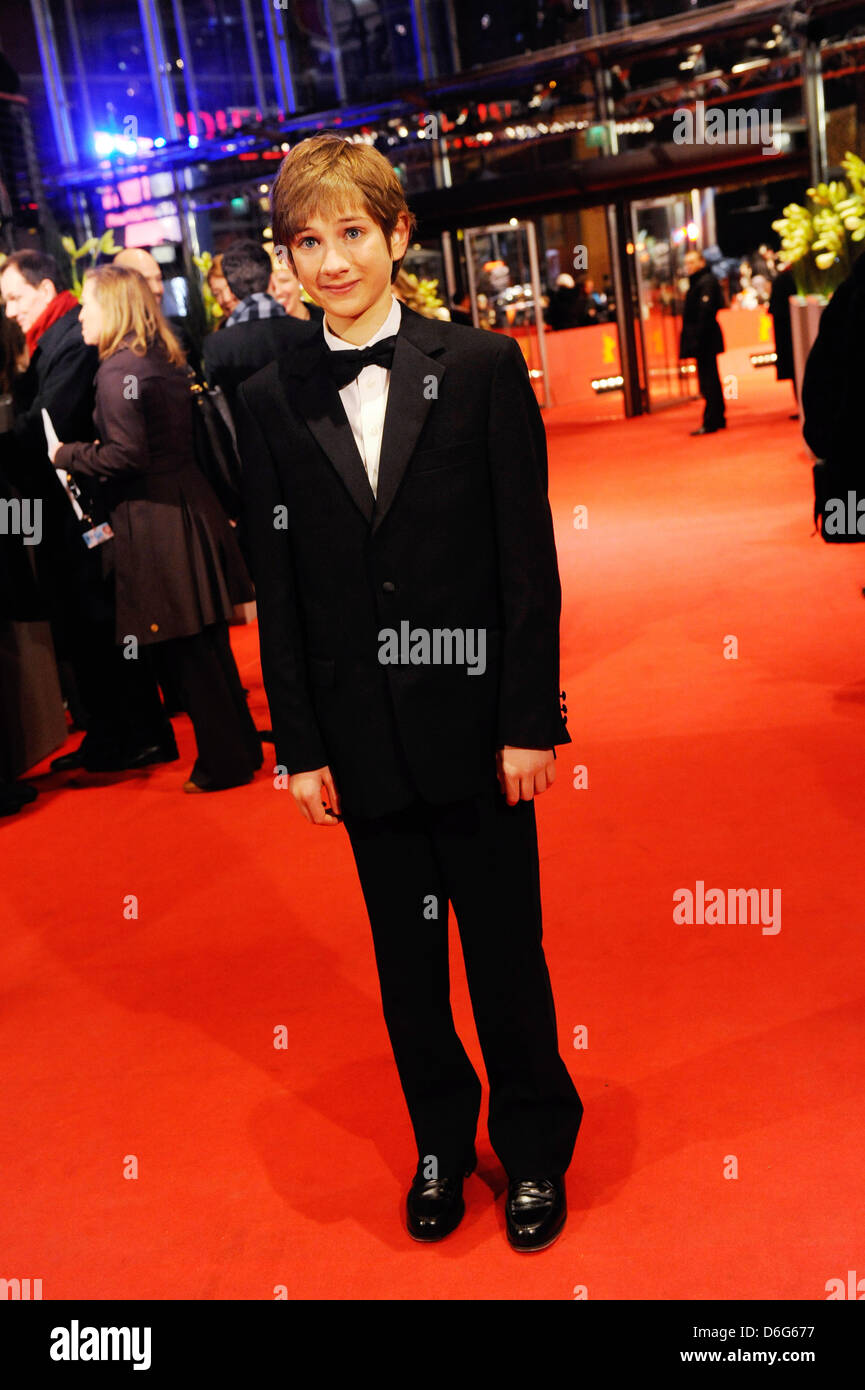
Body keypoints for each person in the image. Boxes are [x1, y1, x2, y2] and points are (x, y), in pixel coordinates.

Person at [237, 133, 582, 1252]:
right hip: (358, 733)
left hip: (478, 727)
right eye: (308, 240)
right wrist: (297, 745)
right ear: (284, 258)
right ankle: (440, 1138)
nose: (332, 259)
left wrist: (532, 720)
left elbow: (526, 561)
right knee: (405, 960)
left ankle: (532, 1143)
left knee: (504, 951)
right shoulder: (269, 394)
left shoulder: (479, 368)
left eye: (351, 233)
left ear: (397, 236)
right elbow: (276, 583)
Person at [49, 265, 262, 793]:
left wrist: (66, 453)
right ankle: (241, 750)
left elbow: (126, 455)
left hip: (158, 521)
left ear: (115, 308)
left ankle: (224, 763)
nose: (81, 318)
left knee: (189, 651)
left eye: (89, 306)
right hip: (187, 507)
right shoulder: (157, 357)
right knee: (208, 646)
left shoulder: (118, 369)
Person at [0, 248, 177, 772]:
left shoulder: (70, 341)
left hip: (84, 514)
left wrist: (19, 442)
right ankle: (111, 734)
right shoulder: (48, 340)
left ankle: (136, 735)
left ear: (48, 291)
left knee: (101, 626)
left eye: (15, 298)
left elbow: (43, 424)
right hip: (66, 512)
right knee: (85, 629)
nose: (9, 310)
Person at [202, 240, 319, 418]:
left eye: (284, 280)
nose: (279, 290)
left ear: (299, 279)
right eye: (216, 293)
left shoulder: (324, 324)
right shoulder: (222, 340)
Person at [114, 246, 201, 373]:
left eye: (159, 279)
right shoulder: (102, 341)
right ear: (121, 286)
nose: (157, 289)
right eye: (145, 280)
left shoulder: (177, 336)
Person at [679, 248, 726, 435]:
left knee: (709, 379)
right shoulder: (701, 281)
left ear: (701, 262)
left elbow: (705, 311)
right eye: (686, 263)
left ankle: (712, 419)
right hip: (703, 336)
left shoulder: (706, 282)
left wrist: (697, 336)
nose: (688, 266)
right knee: (709, 377)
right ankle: (717, 416)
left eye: (691, 262)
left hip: (704, 337)